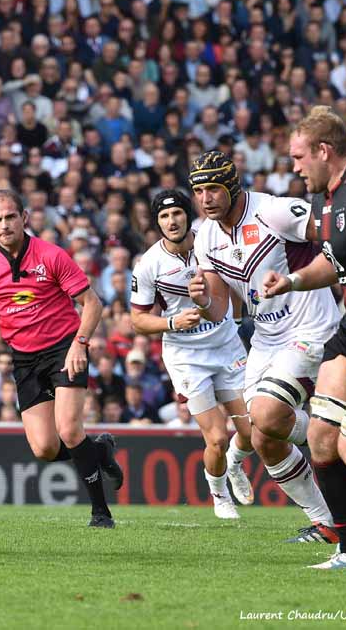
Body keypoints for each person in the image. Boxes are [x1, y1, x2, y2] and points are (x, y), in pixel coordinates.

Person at [263, 106, 346, 569]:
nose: (294, 167)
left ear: (324, 151)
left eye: (299, 157)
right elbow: (334, 262)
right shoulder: (325, 198)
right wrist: (294, 281)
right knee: (321, 440)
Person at [188, 150, 339, 543]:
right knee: (263, 439)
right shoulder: (204, 235)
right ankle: (328, 523)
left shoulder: (273, 211)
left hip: (309, 327)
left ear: (232, 185)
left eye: (213, 189)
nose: (206, 199)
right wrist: (202, 299)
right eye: (199, 191)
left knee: (268, 415)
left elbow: (335, 234)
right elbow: (221, 306)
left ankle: (343, 442)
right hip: (266, 340)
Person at [0, 189, 122, 528]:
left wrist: (80, 343)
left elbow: (92, 304)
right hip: (24, 358)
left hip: (64, 348)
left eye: (10, 217)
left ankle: (100, 513)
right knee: (45, 449)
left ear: (24, 218)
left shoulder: (52, 255)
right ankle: (100, 452)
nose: (5, 225)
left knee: (69, 429)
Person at [130, 189, 253, 519]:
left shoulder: (212, 245)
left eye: (177, 214)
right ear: (157, 223)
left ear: (188, 215)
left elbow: (235, 284)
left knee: (253, 430)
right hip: (187, 356)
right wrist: (171, 321)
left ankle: (235, 464)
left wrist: (239, 318)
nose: (171, 221)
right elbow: (138, 320)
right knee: (216, 438)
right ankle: (218, 494)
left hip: (226, 345)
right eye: (164, 217)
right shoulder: (148, 266)